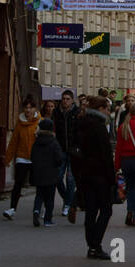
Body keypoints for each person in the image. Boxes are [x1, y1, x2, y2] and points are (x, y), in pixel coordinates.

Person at [72, 95, 116, 258]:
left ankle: (91, 245)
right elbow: (105, 154)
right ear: (100, 109)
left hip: (85, 173)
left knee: (91, 210)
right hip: (100, 174)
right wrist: (112, 178)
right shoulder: (99, 127)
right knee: (106, 209)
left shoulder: (81, 124)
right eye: (106, 109)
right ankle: (95, 243)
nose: (108, 112)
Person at [2, 97, 40, 219]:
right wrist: (8, 158)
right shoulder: (20, 123)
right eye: (26, 107)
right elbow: (13, 141)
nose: (28, 110)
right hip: (22, 157)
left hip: (36, 158)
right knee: (18, 183)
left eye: (30, 107)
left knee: (39, 184)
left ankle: (39, 209)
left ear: (35, 109)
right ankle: (12, 209)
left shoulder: (40, 122)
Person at [29, 118, 64, 226]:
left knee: (39, 195)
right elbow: (59, 158)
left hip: (38, 172)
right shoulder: (54, 142)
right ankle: (47, 219)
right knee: (49, 198)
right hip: (51, 173)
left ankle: (36, 211)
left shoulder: (36, 142)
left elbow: (32, 156)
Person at [53, 89, 81, 220]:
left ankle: (68, 204)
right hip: (60, 149)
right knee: (57, 178)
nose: (65, 101)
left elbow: (80, 131)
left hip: (73, 150)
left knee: (70, 179)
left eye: (67, 99)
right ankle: (67, 198)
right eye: (63, 99)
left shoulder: (77, 112)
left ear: (72, 100)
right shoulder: (56, 112)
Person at [115, 99, 135, 226]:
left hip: (125, 161)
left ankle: (130, 211)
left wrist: (117, 165)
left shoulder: (123, 126)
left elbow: (118, 148)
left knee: (130, 188)